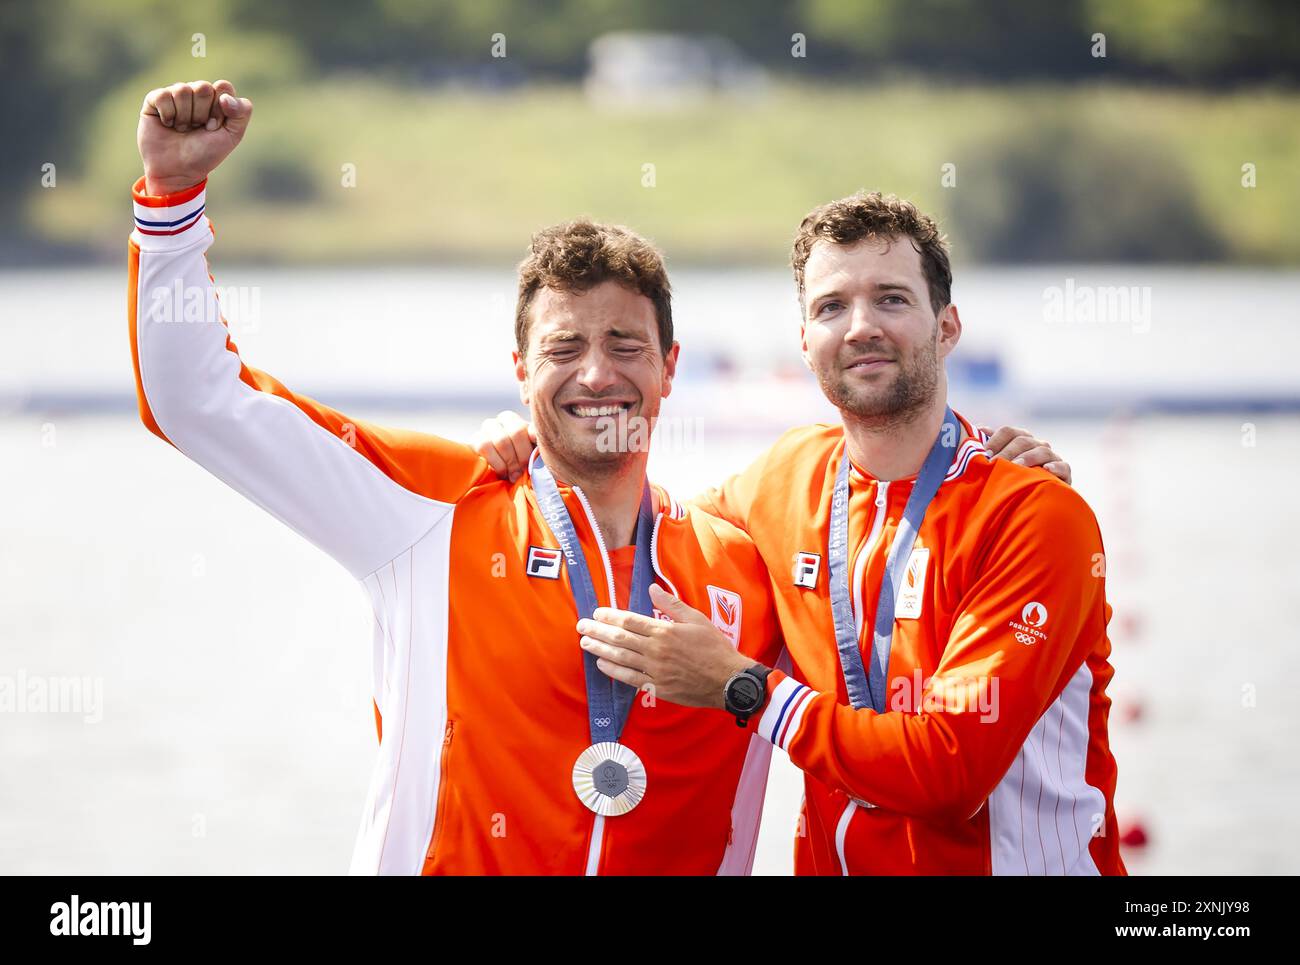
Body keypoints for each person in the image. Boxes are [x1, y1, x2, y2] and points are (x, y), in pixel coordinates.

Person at [128, 79, 788, 875]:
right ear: (518, 371)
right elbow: (196, 400)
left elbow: (895, 698)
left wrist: (976, 463)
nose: (596, 373)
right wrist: (172, 198)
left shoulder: (746, 562)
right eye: (563, 348)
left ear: (670, 366)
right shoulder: (430, 507)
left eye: (625, 343)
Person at [481, 194, 1123, 875]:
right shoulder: (786, 478)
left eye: (892, 300)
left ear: (948, 325)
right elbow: (637, 521)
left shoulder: (1034, 516)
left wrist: (742, 687)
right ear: (805, 340)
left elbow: (950, 772)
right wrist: (529, 451)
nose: (861, 327)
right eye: (831, 307)